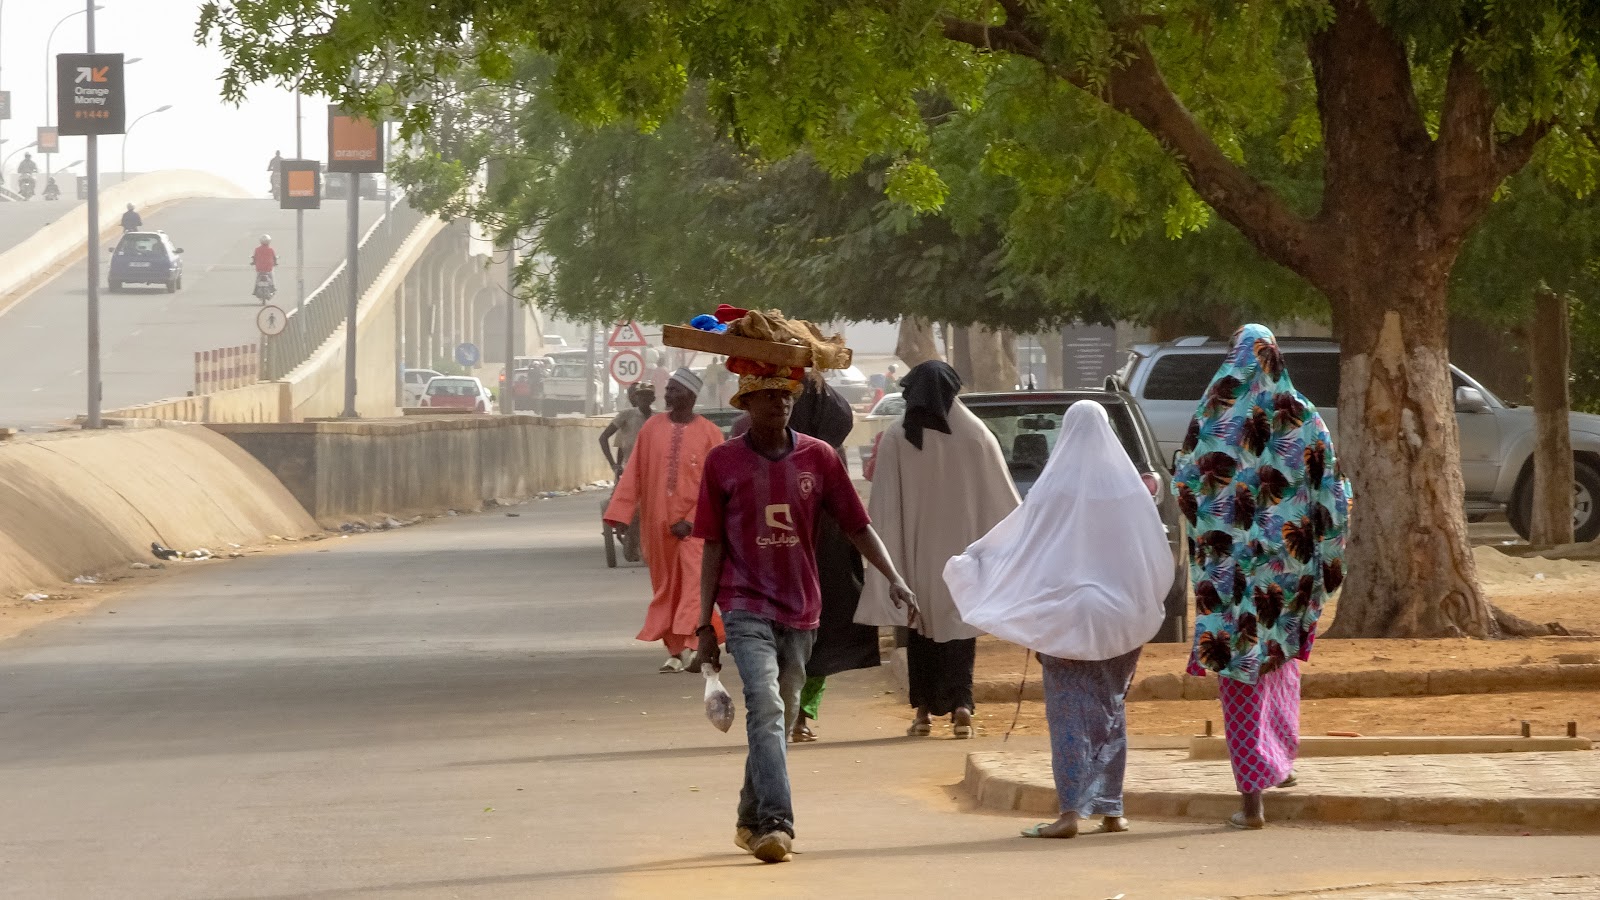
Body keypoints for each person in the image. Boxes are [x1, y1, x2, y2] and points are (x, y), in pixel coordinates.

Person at [695, 363, 918, 864]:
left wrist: (894, 577)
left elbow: (857, 525)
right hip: (744, 604)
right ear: (747, 406)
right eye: (769, 397)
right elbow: (711, 545)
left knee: (785, 711)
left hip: (802, 607)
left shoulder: (819, 458)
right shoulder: (723, 463)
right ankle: (777, 823)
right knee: (767, 707)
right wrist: (702, 623)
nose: (780, 404)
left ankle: (748, 817)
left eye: (786, 396)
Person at [946, 401, 1174, 838]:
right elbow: (1154, 556)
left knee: (1069, 713)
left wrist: (975, 562)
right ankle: (1112, 809)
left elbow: (1021, 545)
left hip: (1064, 616)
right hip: (1122, 620)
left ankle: (1070, 811)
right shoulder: (1130, 491)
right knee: (1111, 707)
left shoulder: (1052, 491)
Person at [1172, 324, 1350, 830]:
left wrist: (1215, 532)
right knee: (1276, 663)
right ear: (1276, 357)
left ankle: (1255, 793)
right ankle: (1272, 766)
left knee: (1240, 674)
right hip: (1286, 574)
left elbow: (1185, 484)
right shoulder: (1306, 418)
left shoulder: (1210, 417)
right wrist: (1324, 550)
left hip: (1228, 574)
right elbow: (1331, 495)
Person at [856, 360, 1018, 738]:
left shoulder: (900, 435)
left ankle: (924, 712)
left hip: (914, 556)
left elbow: (884, 503)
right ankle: (962, 704)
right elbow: (1004, 503)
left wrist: (888, 560)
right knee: (960, 630)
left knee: (919, 631)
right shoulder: (976, 434)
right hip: (965, 557)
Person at [730, 378, 878, 742]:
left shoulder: (819, 455)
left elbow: (857, 522)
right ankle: (795, 715)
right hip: (812, 548)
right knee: (816, 630)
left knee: (812, 630)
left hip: (800, 551)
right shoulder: (824, 446)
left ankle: (792, 714)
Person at [604, 369, 725, 672]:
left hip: (697, 529)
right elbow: (634, 473)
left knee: (695, 586)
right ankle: (675, 650)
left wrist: (694, 520)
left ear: (692, 396)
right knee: (666, 589)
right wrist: (621, 513)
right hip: (656, 526)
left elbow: (718, 486)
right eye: (668, 389)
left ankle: (696, 645)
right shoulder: (651, 428)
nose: (668, 395)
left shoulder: (711, 433)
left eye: (675, 390)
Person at [599, 383, 656, 476]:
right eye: (641, 395)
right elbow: (604, 438)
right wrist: (614, 465)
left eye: (647, 395)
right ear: (636, 397)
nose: (644, 398)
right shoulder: (626, 415)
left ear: (653, 399)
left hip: (651, 472)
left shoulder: (657, 419)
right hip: (629, 470)